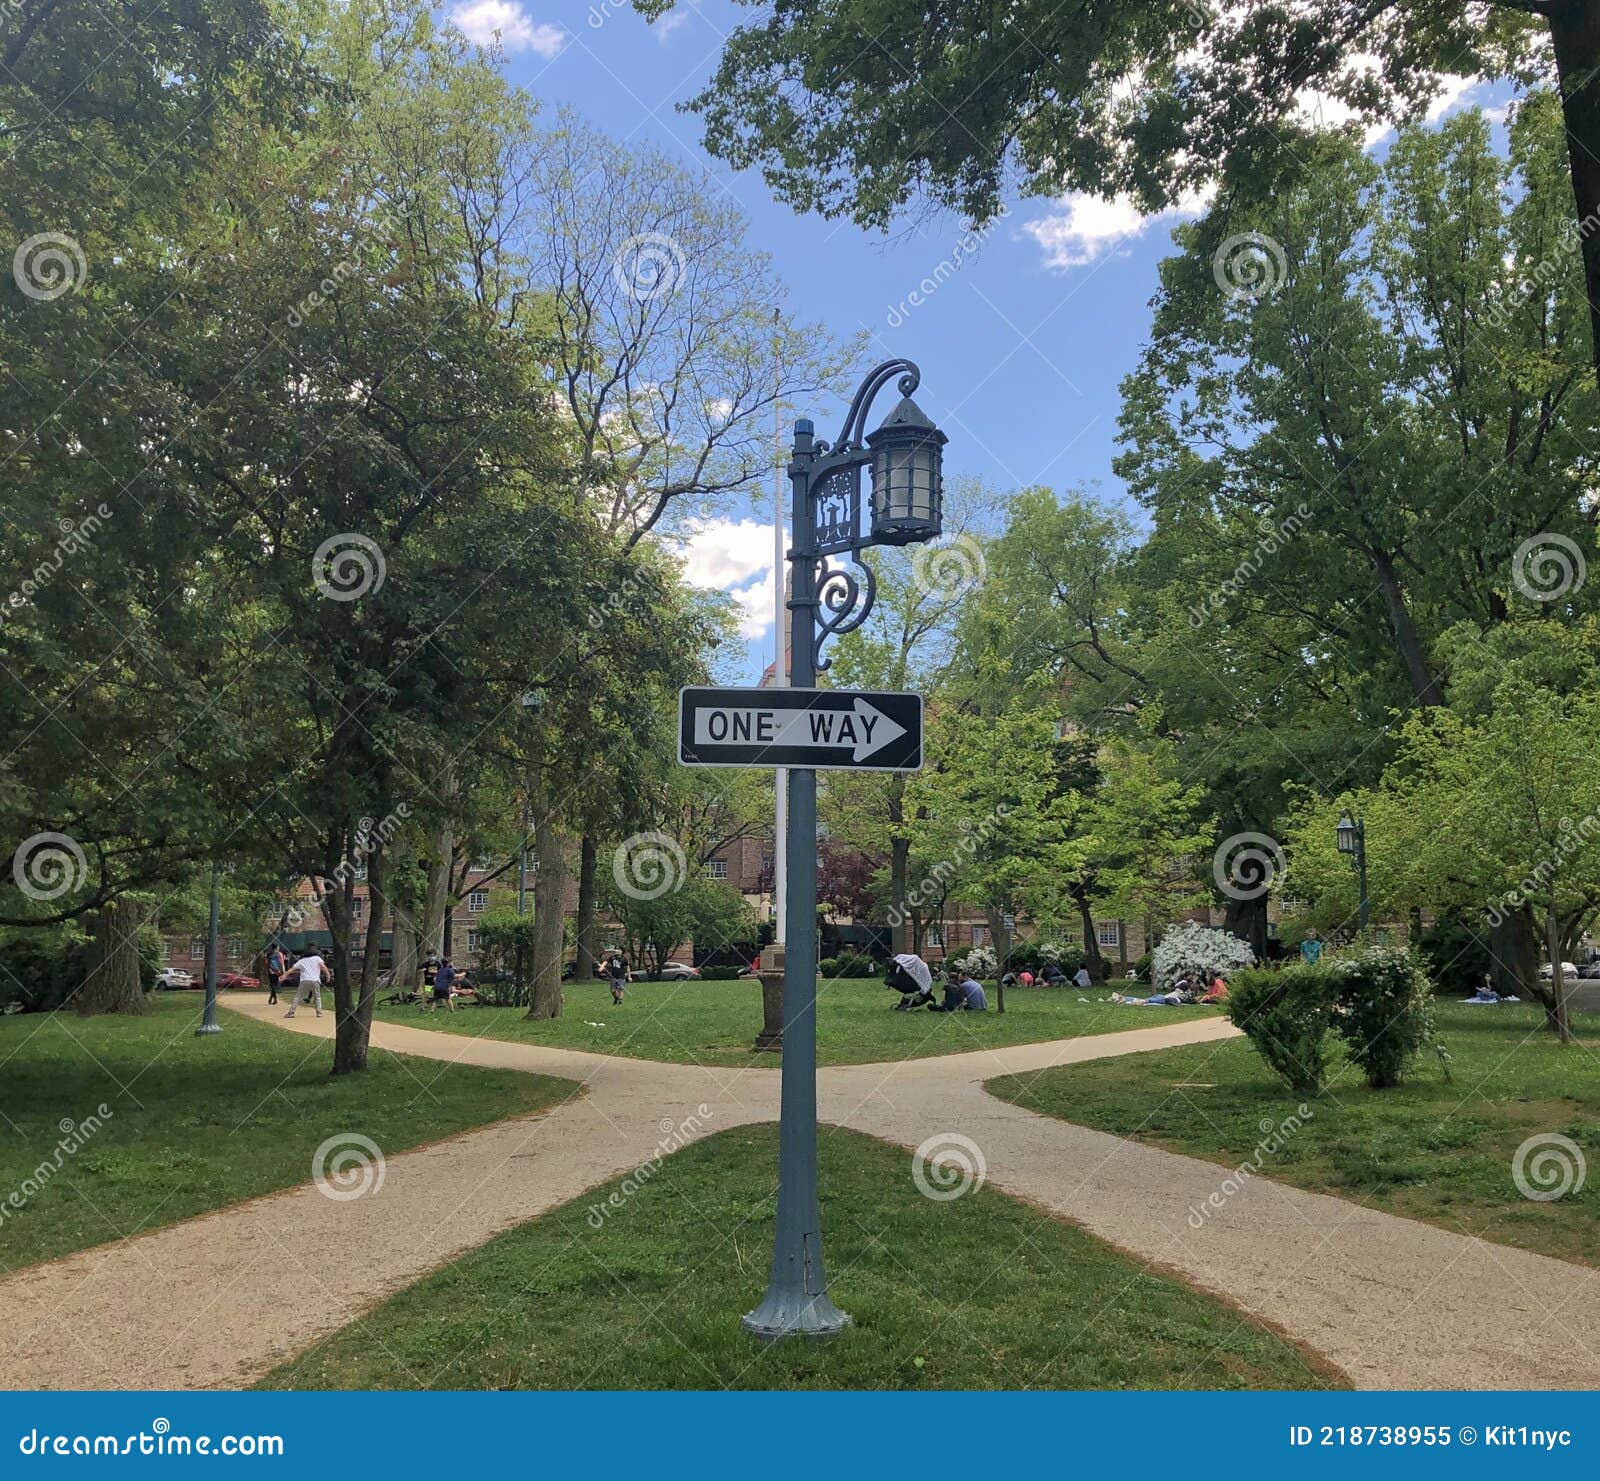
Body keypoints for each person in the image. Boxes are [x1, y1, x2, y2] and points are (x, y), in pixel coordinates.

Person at [284, 951, 329, 1018]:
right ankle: (319, 1013)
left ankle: (291, 1012)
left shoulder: (302, 960)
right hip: (315, 980)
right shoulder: (317, 958)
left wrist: (284, 975)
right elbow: (323, 967)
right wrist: (328, 975)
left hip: (304, 980)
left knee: (298, 996)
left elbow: (292, 969)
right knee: (317, 997)